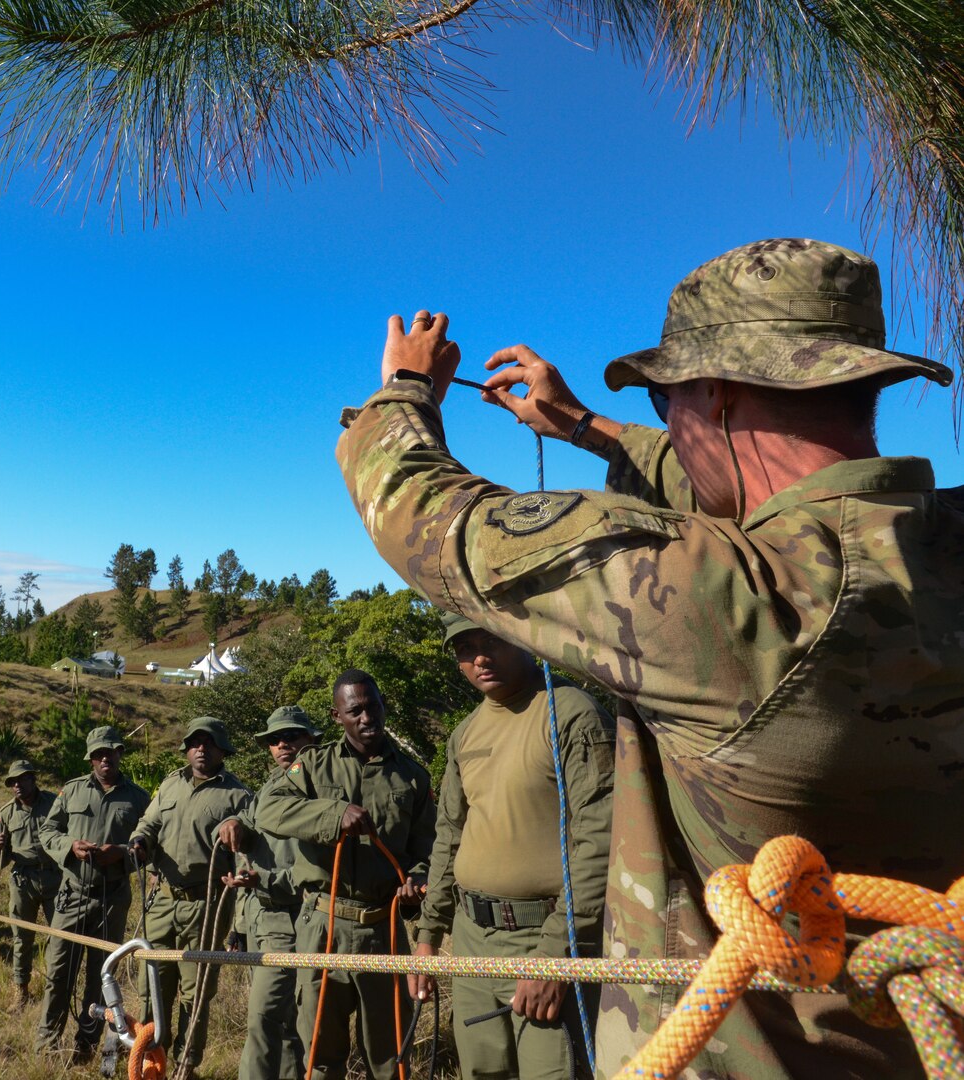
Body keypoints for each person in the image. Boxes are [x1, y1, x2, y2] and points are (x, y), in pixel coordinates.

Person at [333, 237, 964, 1078]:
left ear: (720, 395)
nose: (665, 421)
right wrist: (586, 428)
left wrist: (404, 390)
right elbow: (761, 487)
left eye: (669, 401)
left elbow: (420, 512)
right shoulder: (931, 549)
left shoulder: (733, 602)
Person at [412, 614, 614, 1079]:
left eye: (491, 641)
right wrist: (427, 938)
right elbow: (449, 836)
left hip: (540, 941)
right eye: (465, 649)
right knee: (481, 1071)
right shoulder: (465, 733)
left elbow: (599, 844)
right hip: (470, 943)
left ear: (521, 638)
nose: (480, 657)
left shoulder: (570, 712)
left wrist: (556, 959)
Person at [257, 669, 436, 1080]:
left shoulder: (412, 775)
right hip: (323, 924)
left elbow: (428, 847)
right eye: (355, 710)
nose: (366, 717)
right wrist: (333, 813)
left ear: (383, 707)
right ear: (337, 717)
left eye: (373, 707)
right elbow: (269, 809)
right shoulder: (312, 765)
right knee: (320, 1055)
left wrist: (417, 880)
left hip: (384, 928)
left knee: (391, 1058)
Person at [128, 717, 253, 1078]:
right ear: (186, 748)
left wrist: (240, 920)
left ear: (222, 750)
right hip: (162, 899)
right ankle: (152, 1060)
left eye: (209, 742)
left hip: (206, 905)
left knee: (195, 992)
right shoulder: (170, 785)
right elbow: (148, 824)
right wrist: (140, 841)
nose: (201, 748)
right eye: (195, 742)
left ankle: (186, 1064)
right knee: (152, 984)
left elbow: (246, 859)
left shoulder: (239, 796)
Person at [35, 725, 152, 1063]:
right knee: (58, 972)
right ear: (90, 759)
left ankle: (85, 1046)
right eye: (99, 753)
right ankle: (47, 1046)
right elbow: (48, 830)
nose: (105, 758)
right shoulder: (71, 791)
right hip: (72, 895)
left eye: (111, 751)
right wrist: (70, 847)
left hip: (113, 898)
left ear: (119, 754)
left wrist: (122, 852)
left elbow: (148, 847)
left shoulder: (139, 798)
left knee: (102, 976)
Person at [227, 706, 320, 1080]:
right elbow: (246, 828)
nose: (282, 744)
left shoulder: (323, 787)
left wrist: (264, 881)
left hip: (312, 915)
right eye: (274, 740)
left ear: (311, 739)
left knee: (301, 1021)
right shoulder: (267, 789)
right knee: (270, 1017)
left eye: (292, 736)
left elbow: (312, 870)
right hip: (268, 920)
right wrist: (231, 823)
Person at [0, 758, 62, 1007]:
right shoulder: (5, 813)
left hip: (55, 877)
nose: (17, 785)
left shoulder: (54, 804)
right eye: (13, 782)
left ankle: (57, 988)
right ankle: (20, 990)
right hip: (22, 880)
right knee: (22, 936)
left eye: (23, 779)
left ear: (33, 779)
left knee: (60, 935)